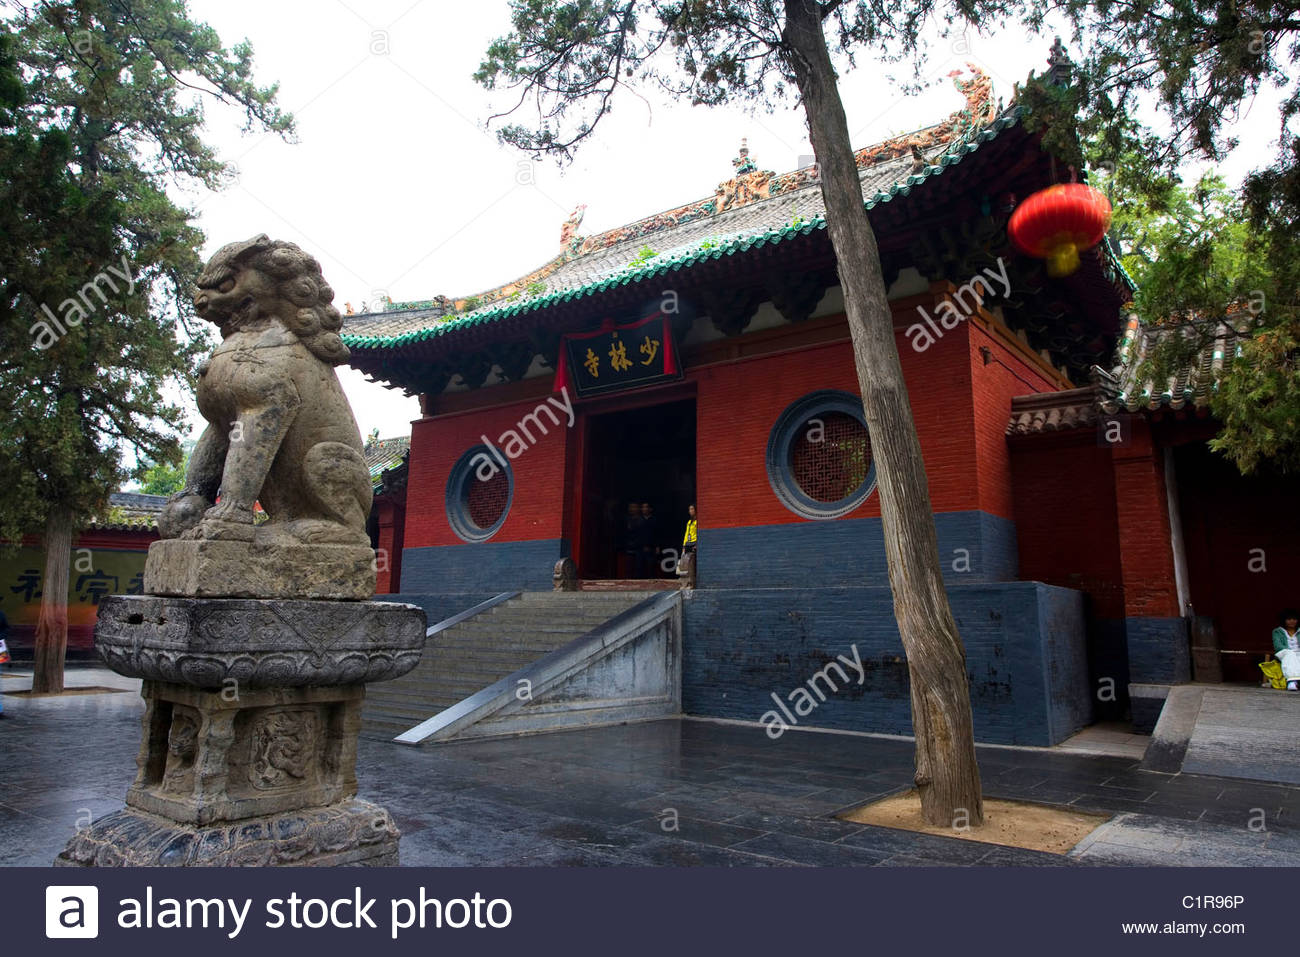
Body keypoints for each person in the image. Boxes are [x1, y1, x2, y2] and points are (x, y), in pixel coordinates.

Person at [1273, 609, 1300, 691]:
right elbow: (1278, 646)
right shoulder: (1277, 631)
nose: (1292, 621)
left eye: (1294, 619)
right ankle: (1292, 681)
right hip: (1284, 652)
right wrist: (1290, 651)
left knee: (1297, 657)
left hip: (1298, 652)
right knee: (1290, 654)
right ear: (1284, 620)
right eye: (1289, 619)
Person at [679, 504, 697, 586]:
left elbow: (698, 533)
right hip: (688, 544)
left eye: (692, 509)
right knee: (686, 563)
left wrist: (697, 544)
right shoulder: (689, 522)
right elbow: (686, 534)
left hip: (694, 544)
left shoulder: (697, 522)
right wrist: (684, 546)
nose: (690, 511)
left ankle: (694, 581)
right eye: (689, 509)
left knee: (694, 562)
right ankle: (688, 582)